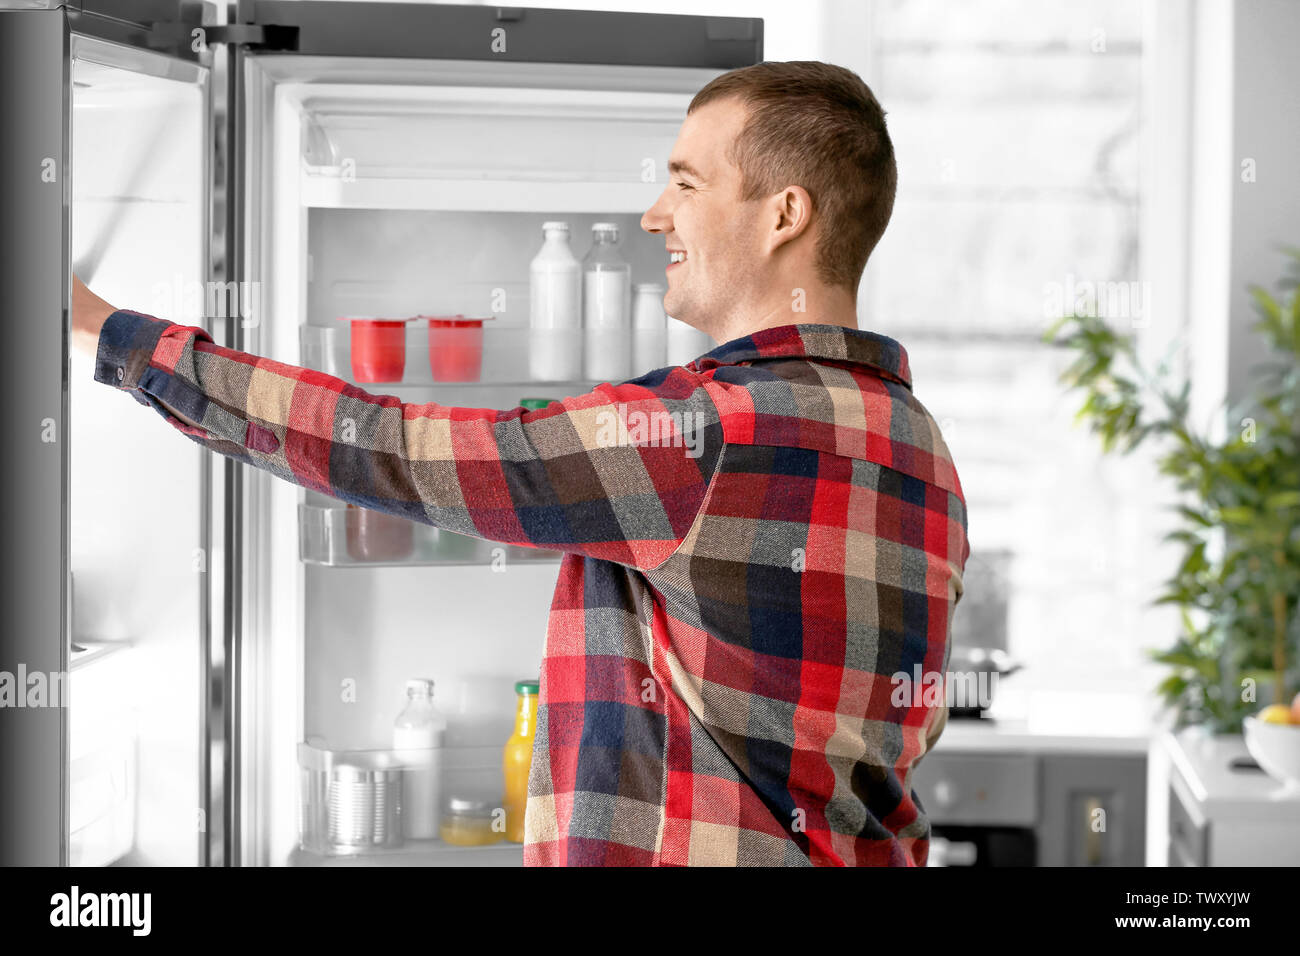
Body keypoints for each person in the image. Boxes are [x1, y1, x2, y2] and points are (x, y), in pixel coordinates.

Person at [72, 60, 968, 866]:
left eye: (687, 183)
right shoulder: (920, 444)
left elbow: (392, 449)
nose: (656, 215)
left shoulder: (707, 436)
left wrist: (106, 333)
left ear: (786, 213)